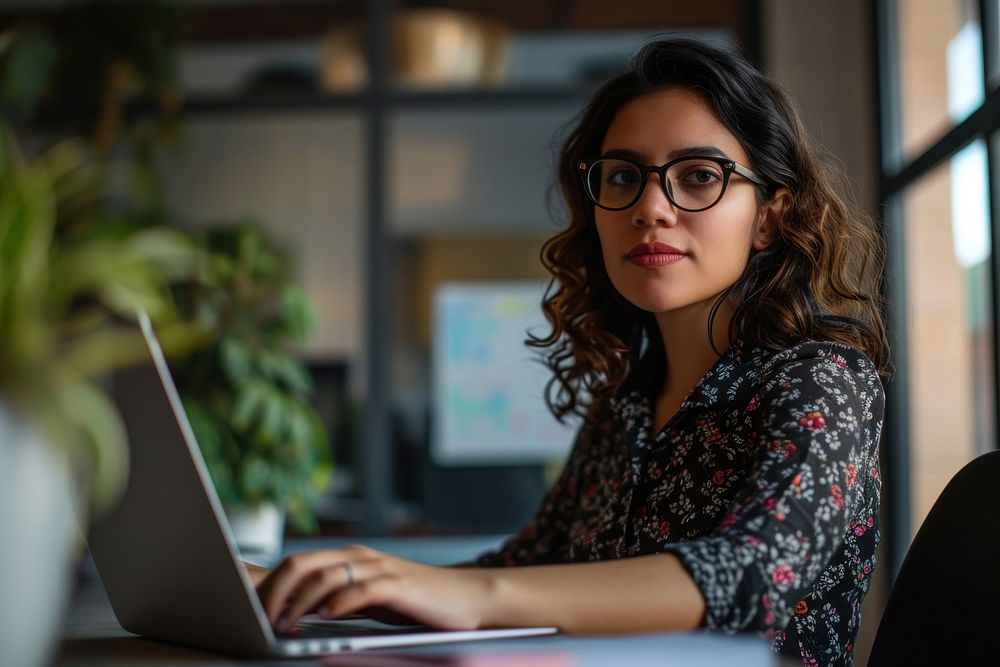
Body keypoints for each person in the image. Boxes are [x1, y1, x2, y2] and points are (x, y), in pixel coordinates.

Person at [249, 37, 889, 667]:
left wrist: (471, 595)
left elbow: (753, 574)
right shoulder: (626, 403)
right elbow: (523, 570)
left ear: (769, 218)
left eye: (699, 177)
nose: (651, 208)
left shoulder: (824, 380)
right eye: (623, 177)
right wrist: (323, 586)